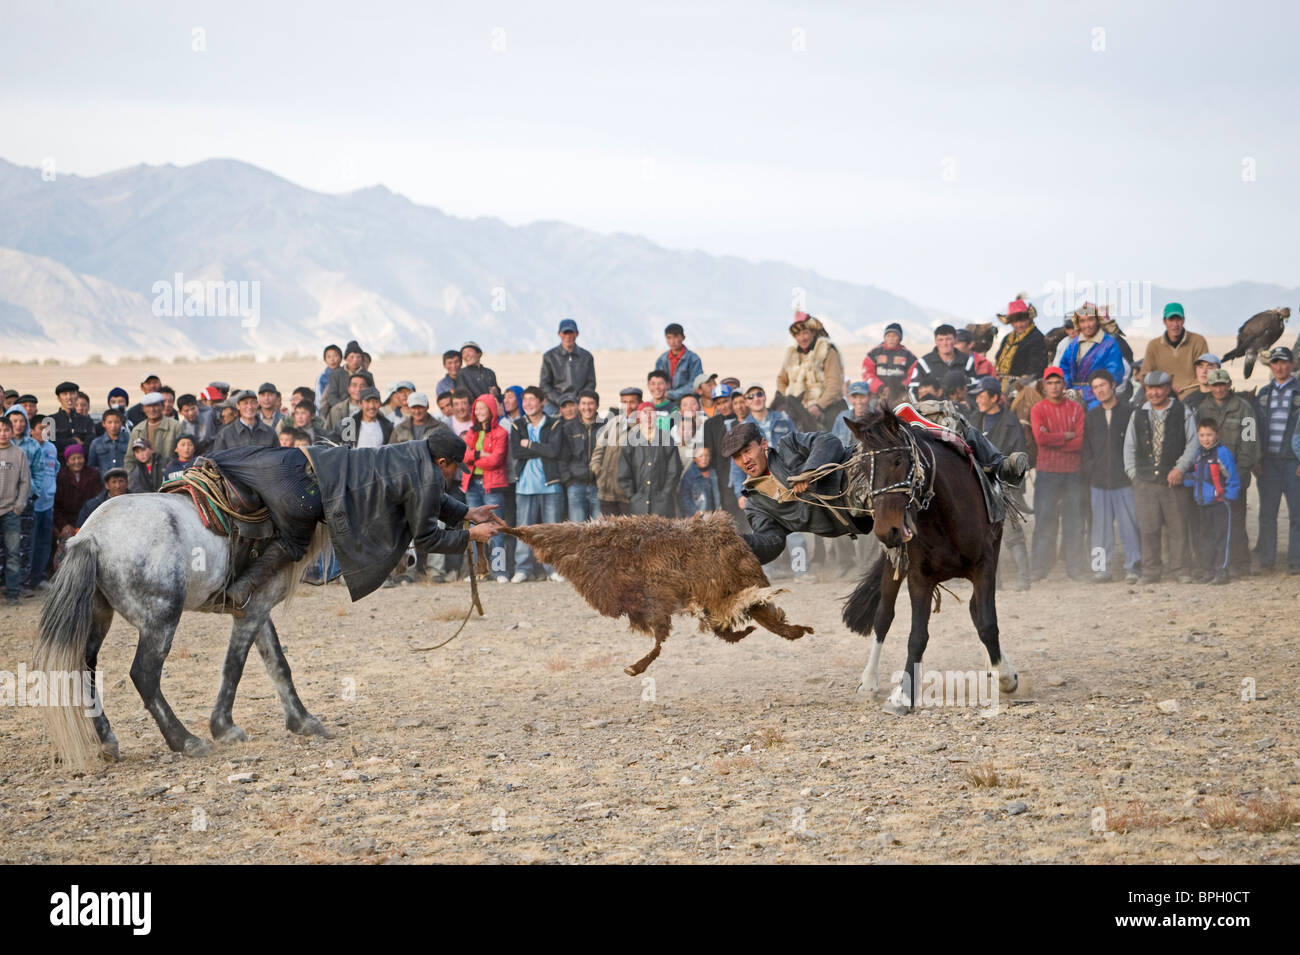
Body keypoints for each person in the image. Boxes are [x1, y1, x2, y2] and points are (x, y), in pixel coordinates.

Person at [208, 430, 503, 610]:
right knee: (294, 541)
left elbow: (427, 499)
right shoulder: (428, 478)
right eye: (454, 467)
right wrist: (471, 536)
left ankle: (208, 463)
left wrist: (467, 513)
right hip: (307, 490)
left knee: (238, 458)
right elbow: (427, 538)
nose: (455, 473)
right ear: (442, 462)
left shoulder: (413, 450)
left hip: (298, 460)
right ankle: (240, 590)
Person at [725, 420, 872, 564]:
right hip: (852, 517)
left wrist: (809, 472)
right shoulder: (755, 504)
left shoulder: (788, 445)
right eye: (737, 457)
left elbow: (828, 441)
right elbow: (771, 541)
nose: (744, 460)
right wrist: (739, 545)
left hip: (859, 472)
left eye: (747, 450)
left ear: (763, 444)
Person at [1124, 369, 1199, 584]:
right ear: (1145, 390)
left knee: (1178, 528)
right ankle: (1151, 571)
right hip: (1144, 481)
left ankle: (1181, 570)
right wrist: (1133, 475)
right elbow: (1129, 446)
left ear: (1168, 388)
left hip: (1174, 480)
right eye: (1150, 389)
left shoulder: (1183, 411)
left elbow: (1193, 443)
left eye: (1159, 388)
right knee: (1148, 528)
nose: (1155, 393)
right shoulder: (1137, 414)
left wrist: (1180, 468)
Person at [968, 376, 1032, 590]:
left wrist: (1008, 482)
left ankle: (1024, 579)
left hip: (1004, 486)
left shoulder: (1011, 423)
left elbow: (1019, 457)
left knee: (1012, 532)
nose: (978, 400)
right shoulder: (973, 419)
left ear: (995, 397)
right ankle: (994, 581)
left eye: (982, 395)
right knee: (985, 535)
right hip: (978, 486)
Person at [1196, 368, 1259, 576]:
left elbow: (1250, 442)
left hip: (1235, 476)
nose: (1219, 388)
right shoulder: (1202, 409)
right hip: (1209, 479)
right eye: (1215, 385)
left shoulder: (1244, 408)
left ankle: (1240, 564)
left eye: (1223, 384)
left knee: (1236, 522)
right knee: (1212, 526)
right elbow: (1197, 440)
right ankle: (1214, 566)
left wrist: (1239, 474)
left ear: (1229, 384)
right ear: (1210, 387)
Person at [1080, 370, 1141, 584]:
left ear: (1113, 386)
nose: (1099, 390)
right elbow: (1085, 448)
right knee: (1099, 529)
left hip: (1124, 481)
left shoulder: (1129, 412)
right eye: (1095, 387)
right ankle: (1100, 569)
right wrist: (1090, 469)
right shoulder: (1091, 416)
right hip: (1098, 483)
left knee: (1129, 525)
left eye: (1102, 385)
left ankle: (1133, 567)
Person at [1029, 366, 1087, 581]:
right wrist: (1066, 436)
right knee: (1044, 520)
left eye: (1058, 382)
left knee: (1074, 521)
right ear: (1044, 386)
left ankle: (1075, 567)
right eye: (1050, 383)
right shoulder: (1038, 409)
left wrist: (1054, 439)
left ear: (1064, 385)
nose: (1054, 387)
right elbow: (1040, 440)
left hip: (1072, 472)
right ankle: (1039, 567)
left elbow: (1081, 441)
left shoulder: (1076, 409)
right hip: (1047, 472)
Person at [1252, 346, 1300, 574]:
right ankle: (1267, 561)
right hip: (1268, 463)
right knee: (1267, 514)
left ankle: (1296, 562)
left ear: (1291, 364)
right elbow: (1252, 428)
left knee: (1297, 514)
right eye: (1275, 362)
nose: (1279, 367)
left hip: (1293, 463)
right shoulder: (1262, 395)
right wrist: (1255, 458)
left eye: (1284, 362)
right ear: (1270, 365)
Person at [509, 386, 564, 582]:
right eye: (525, 400)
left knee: (551, 530)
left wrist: (530, 444)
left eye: (533, 400)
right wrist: (542, 448)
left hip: (550, 485)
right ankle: (522, 569)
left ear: (542, 402)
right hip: (524, 486)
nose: (528, 404)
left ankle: (553, 570)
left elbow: (554, 451)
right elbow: (516, 451)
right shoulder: (517, 425)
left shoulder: (554, 424)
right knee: (524, 530)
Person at [1184, 418, 1240, 584]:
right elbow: (1196, 477)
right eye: (1202, 435)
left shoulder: (1222, 453)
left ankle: (1221, 571)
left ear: (1217, 434)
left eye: (1209, 435)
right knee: (1205, 538)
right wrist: (1184, 480)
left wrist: (1228, 497)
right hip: (1202, 503)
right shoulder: (1198, 454)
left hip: (1219, 503)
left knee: (1221, 537)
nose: (1206, 438)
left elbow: (1232, 477)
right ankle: (1208, 570)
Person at [461, 393, 510, 582]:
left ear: (491, 410)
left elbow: (496, 460)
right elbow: (464, 456)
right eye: (477, 408)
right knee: (474, 531)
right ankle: (477, 570)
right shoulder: (471, 432)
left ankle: (499, 571)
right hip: (472, 484)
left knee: (495, 529)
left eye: (483, 408)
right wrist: (481, 453)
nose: (480, 412)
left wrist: (474, 457)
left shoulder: (501, 433)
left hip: (492, 486)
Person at [774, 312, 846, 431]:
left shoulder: (827, 351)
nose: (802, 338)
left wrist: (819, 406)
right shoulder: (792, 355)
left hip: (824, 407)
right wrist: (789, 401)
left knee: (835, 437)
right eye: (798, 334)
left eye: (805, 333)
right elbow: (781, 379)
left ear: (813, 332)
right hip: (797, 407)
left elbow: (834, 384)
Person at [620, 402, 684, 518]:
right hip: (638, 505)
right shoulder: (631, 440)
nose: (649, 416)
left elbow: (674, 470)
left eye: (652, 413)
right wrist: (633, 496)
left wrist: (665, 494)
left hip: (662, 505)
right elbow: (624, 471)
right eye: (645, 413)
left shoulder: (666, 438)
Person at [1060, 304, 1127, 408]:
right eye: (1082, 321)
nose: (1087, 325)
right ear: (1078, 324)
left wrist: (1087, 392)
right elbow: (1064, 368)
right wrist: (1067, 387)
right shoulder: (1073, 345)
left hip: (1099, 397)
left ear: (1097, 320)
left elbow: (1114, 375)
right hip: (1073, 393)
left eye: (1090, 319)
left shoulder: (1109, 344)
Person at [590, 386, 640, 517]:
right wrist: (596, 468)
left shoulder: (642, 427)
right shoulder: (613, 423)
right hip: (606, 491)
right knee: (607, 533)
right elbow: (599, 448)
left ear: (639, 403)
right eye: (624, 402)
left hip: (627, 495)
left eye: (632, 402)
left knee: (627, 534)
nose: (628, 406)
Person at [1142, 303, 1209, 400]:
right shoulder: (1153, 345)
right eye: (1171, 320)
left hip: (1193, 395)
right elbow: (1145, 374)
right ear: (1164, 321)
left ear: (1184, 320)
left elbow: (1205, 372)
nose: (1175, 324)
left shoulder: (1198, 341)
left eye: (1178, 319)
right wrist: (1166, 389)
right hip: (1162, 396)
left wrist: (1188, 390)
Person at [0, 416, 32, 605]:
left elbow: (25, 481)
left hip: (11, 512)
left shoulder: (19, 454)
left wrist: (19, 506)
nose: (3, 433)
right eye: (0, 430)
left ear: (12, 432)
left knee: (13, 552)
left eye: (6, 430)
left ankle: (12, 592)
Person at [560, 390, 604, 522]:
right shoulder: (568, 428)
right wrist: (569, 481)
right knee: (577, 531)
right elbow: (562, 457)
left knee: (600, 530)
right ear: (578, 406)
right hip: (576, 486)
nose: (587, 407)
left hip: (599, 486)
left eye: (591, 403)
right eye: (583, 404)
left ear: (597, 406)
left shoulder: (606, 427)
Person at [27, 415, 58, 590]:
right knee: (29, 542)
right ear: (31, 431)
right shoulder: (27, 447)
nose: (45, 431)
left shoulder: (52, 448)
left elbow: (56, 469)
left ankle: (38, 578)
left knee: (44, 541)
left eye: (47, 428)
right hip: (32, 503)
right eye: (41, 428)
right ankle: (27, 579)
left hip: (48, 502)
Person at [540, 319, 597, 414]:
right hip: (554, 403)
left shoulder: (587, 357)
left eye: (571, 333)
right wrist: (561, 401)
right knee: (547, 422)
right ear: (559, 334)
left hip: (579, 402)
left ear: (576, 334)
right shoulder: (549, 357)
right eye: (565, 333)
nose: (568, 336)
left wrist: (579, 400)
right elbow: (544, 385)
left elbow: (591, 382)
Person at [126, 392, 183, 476]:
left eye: (155, 405)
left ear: (162, 406)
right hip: (144, 479)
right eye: (148, 406)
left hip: (169, 476)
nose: (152, 409)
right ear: (143, 409)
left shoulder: (175, 427)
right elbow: (130, 458)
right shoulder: (137, 430)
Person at [910, 324, 975, 396]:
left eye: (948, 339)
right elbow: (913, 390)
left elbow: (975, 387)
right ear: (935, 341)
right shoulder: (924, 363)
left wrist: (967, 404)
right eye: (940, 340)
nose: (944, 343)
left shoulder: (968, 362)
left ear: (955, 340)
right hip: (932, 406)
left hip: (961, 405)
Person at [53, 444, 101, 542]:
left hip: (89, 521)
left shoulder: (93, 475)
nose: (77, 462)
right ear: (67, 462)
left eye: (80, 458)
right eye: (73, 459)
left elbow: (97, 501)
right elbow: (56, 506)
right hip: (68, 522)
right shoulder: (61, 477)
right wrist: (63, 525)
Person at [995, 297, 1048, 380]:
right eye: (1015, 322)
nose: (1019, 325)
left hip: (1024, 384)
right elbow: (998, 358)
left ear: (1029, 319)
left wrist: (1021, 382)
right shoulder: (1007, 338)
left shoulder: (1037, 338)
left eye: (1022, 321)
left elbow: (1036, 368)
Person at [211, 390, 278, 452]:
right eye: (245, 403)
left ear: (257, 404)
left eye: (253, 403)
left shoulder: (270, 433)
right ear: (238, 406)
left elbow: (278, 458)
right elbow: (217, 460)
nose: (249, 407)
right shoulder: (225, 434)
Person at [861, 323, 917, 395]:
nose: (891, 339)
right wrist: (881, 388)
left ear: (900, 338)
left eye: (894, 336)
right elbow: (867, 374)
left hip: (900, 394)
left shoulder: (908, 355)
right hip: (877, 394)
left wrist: (901, 387)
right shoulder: (874, 353)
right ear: (884, 337)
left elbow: (914, 375)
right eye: (888, 336)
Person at [654, 323, 703, 403]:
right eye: (669, 338)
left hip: (688, 400)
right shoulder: (661, 360)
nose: (672, 341)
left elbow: (695, 384)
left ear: (683, 337)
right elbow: (657, 381)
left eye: (676, 337)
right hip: (665, 399)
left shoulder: (693, 359)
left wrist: (671, 394)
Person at [50, 380, 95, 463]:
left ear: (77, 396)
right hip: (59, 466)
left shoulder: (88, 421)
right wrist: (74, 441)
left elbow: (90, 445)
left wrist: (62, 443)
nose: (69, 397)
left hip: (82, 466)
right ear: (58, 398)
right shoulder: (49, 420)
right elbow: (49, 446)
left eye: (72, 393)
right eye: (65, 394)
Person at [679, 446, 719, 517]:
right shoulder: (689, 476)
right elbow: (685, 499)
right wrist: (697, 513)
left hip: (713, 515)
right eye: (700, 456)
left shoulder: (713, 473)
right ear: (694, 458)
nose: (704, 458)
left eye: (707, 455)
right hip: (697, 517)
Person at [316, 344, 343, 408]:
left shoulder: (346, 374)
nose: (332, 359)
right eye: (329, 357)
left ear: (341, 358)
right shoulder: (322, 377)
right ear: (325, 360)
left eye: (335, 356)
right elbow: (319, 399)